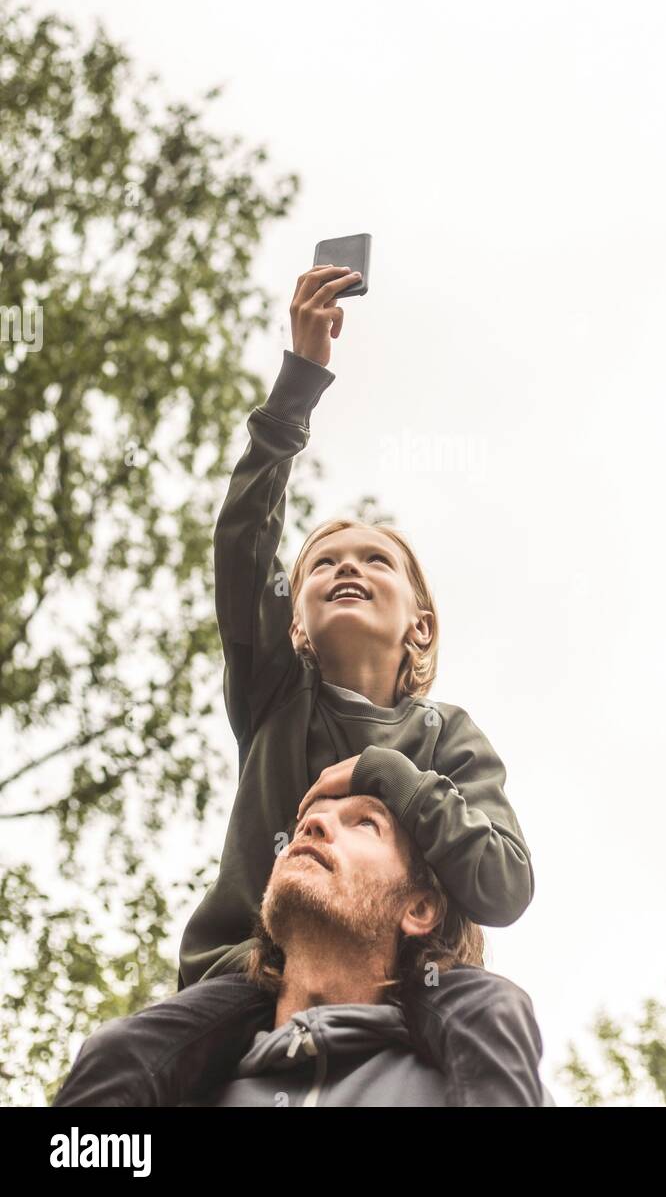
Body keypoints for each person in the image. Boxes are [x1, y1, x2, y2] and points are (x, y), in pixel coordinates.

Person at [58, 262, 539, 1106]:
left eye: (375, 561)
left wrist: (381, 776)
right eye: (323, 564)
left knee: (496, 1012)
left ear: (419, 623)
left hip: (411, 977)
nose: (346, 567)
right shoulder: (275, 694)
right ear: (293, 622)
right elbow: (245, 538)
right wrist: (297, 388)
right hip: (247, 973)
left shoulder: (447, 738)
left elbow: (503, 884)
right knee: (118, 1056)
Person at [54, 791, 550, 1107]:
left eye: (364, 823)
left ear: (418, 909)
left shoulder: (484, 1082)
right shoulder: (169, 1092)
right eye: (306, 823)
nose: (311, 828)